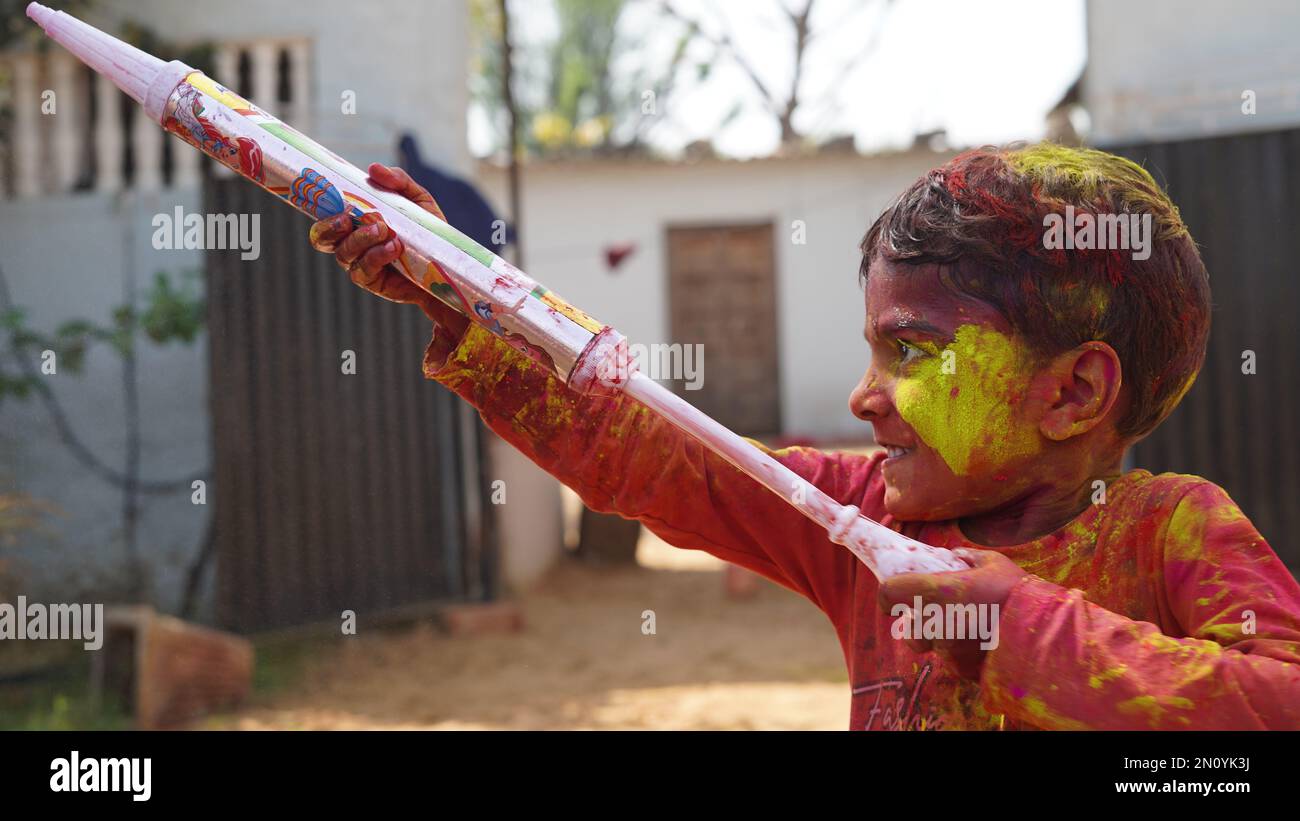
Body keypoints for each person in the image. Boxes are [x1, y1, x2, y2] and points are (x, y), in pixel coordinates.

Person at [307, 147, 1300, 730]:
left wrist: (1003, 616)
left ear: (1073, 390)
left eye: (912, 351)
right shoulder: (859, 515)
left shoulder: (1174, 531)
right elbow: (656, 453)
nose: (865, 396)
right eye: (872, 349)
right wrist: (461, 294)